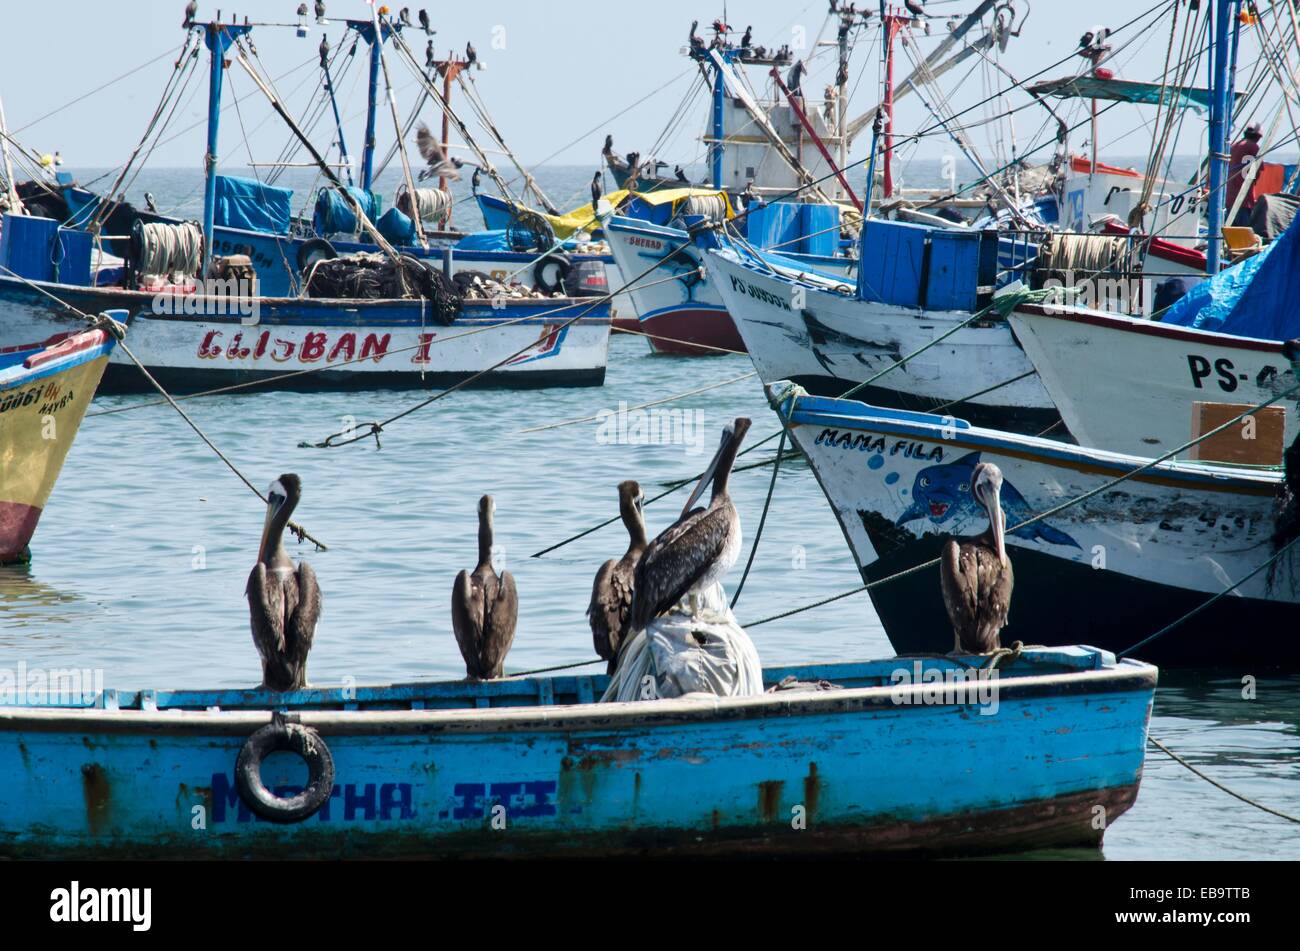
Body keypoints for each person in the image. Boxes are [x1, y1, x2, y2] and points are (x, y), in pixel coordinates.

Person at [1226, 123, 1262, 226]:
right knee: (1244, 234)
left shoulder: (1233, 146)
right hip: (1244, 200)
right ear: (1257, 136)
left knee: (1231, 233)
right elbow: (1256, 174)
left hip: (1229, 199)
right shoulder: (1253, 147)